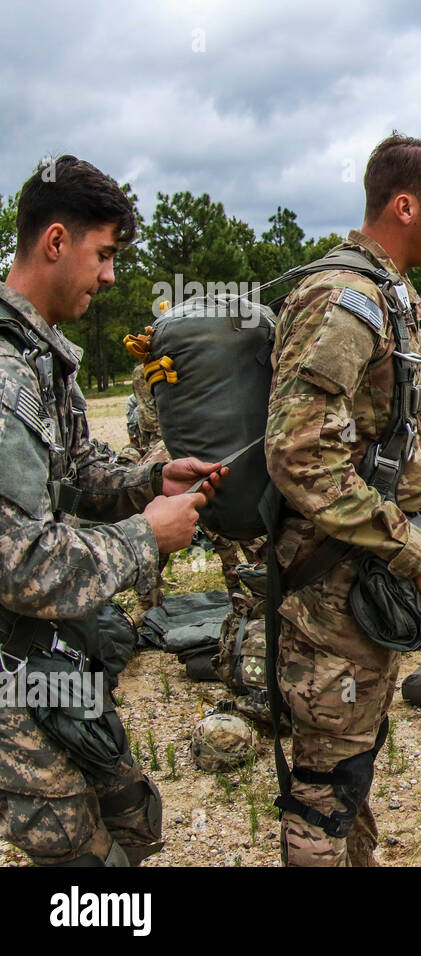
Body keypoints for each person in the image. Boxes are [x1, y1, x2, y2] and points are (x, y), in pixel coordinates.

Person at [0, 154, 225, 866]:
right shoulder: (6, 377)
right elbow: (17, 564)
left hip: (41, 652)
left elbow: (76, 475)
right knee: (87, 865)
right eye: (103, 255)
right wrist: (145, 536)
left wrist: (152, 478)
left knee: (133, 818)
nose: (110, 276)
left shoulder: (41, 358)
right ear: (56, 241)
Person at [264, 134, 421, 867]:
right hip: (331, 582)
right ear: (404, 205)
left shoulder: (390, 296)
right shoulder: (345, 299)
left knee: (352, 754)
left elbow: (392, 435)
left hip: (360, 571)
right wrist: (412, 549)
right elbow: (298, 451)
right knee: (326, 780)